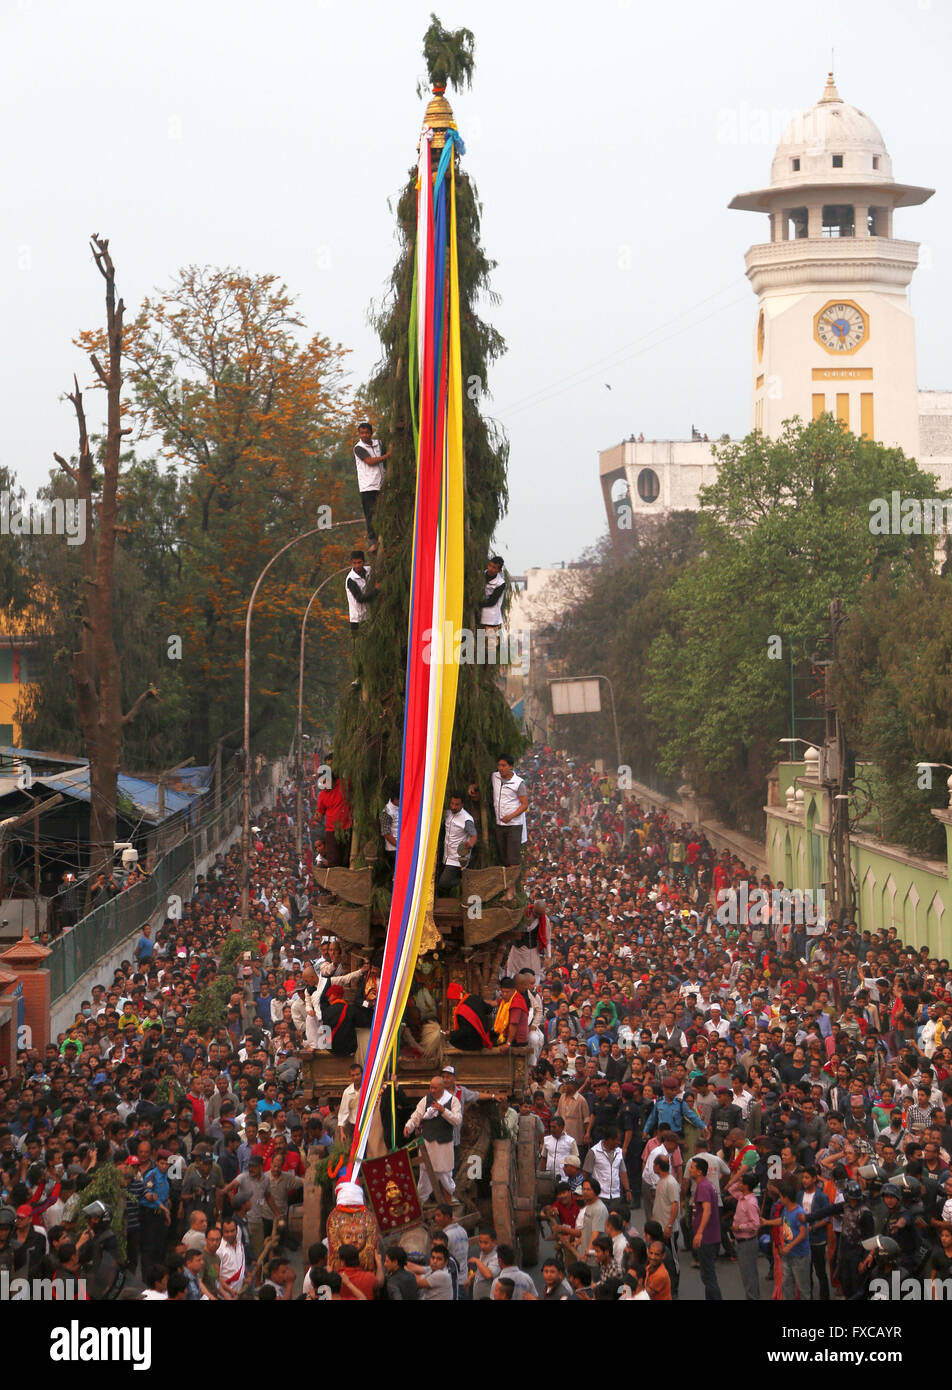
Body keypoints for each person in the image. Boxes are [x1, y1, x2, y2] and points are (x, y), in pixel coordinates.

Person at [403, 1077, 462, 1203]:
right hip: (428, 1147)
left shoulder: (453, 1101)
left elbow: (457, 1120)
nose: (432, 1090)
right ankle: (419, 1211)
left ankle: (448, 1210)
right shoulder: (426, 1100)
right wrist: (408, 1126)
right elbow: (416, 1116)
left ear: (442, 1087)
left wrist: (443, 1111)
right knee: (424, 1181)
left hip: (444, 1148)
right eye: (431, 1087)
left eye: (435, 1088)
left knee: (446, 1179)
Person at [491, 755, 528, 902]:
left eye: (504, 765)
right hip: (500, 824)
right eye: (499, 765)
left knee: (513, 859)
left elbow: (524, 804)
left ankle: (511, 891)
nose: (501, 768)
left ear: (511, 766)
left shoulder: (518, 783)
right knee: (504, 857)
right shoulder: (495, 777)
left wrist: (511, 816)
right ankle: (507, 888)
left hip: (513, 825)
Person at [353, 420, 389, 550]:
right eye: (362, 433)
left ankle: (384, 533)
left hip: (382, 483)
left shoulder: (378, 443)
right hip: (368, 486)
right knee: (370, 513)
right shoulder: (358, 448)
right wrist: (387, 456)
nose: (364, 435)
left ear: (371, 433)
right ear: (359, 434)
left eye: (367, 433)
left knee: (383, 510)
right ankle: (373, 541)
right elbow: (369, 462)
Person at [691, 1157, 722, 1301]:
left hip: (707, 1238)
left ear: (698, 1171)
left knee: (708, 1277)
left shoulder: (703, 1187)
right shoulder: (707, 1185)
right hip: (711, 1237)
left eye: (692, 1167)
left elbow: (707, 1210)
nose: (689, 1169)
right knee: (708, 1276)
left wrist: (699, 1233)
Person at [344, 551, 376, 686]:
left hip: (368, 617)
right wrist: (377, 591)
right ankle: (358, 677)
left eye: (359, 562)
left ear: (363, 562)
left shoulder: (369, 571)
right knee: (358, 650)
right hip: (357, 620)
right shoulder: (351, 580)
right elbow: (360, 599)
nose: (357, 565)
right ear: (351, 563)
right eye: (354, 563)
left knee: (370, 646)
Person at [438, 792, 478, 894]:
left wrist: (470, 844)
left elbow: (474, 835)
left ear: (462, 805)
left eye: (457, 804)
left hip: (457, 859)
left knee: (444, 882)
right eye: (452, 803)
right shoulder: (448, 813)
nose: (454, 807)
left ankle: (468, 885)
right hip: (446, 856)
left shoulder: (466, 819)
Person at [445, 983, 495, 1051]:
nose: (450, 1003)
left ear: (456, 998)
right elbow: (489, 1009)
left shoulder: (461, 1011)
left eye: (451, 1000)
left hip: (476, 1042)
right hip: (486, 1035)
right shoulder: (474, 998)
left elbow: (465, 1031)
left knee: (453, 1040)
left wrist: (451, 1034)